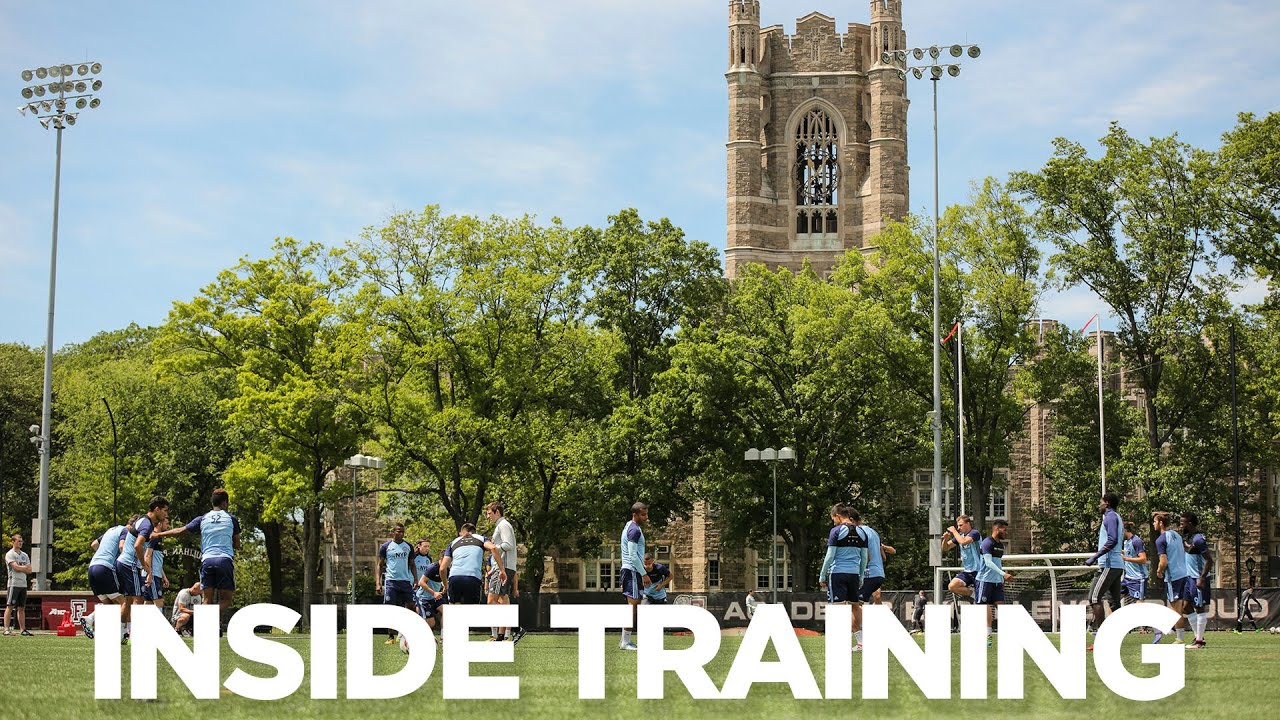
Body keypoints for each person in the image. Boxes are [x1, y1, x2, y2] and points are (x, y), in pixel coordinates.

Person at [158, 488, 241, 625]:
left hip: (207, 560)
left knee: (207, 600)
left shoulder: (203, 518)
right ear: (225, 503)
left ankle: (205, 625)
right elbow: (237, 544)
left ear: (212, 503)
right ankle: (211, 617)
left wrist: (158, 534)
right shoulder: (231, 519)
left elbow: (180, 530)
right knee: (226, 599)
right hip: (224, 559)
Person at [818, 503, 864, 645]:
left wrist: (822, 575)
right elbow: (864, 557)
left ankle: (839, 642)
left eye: (833, 519)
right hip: (854, 574)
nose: (833, 522)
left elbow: (830, 555)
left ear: (838, 516)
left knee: (837, 608)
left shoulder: (836, 531)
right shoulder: (861, 532)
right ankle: (861, 641)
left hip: (838, 573)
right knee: (854, 606)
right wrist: (861, 576)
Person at [1084, 492, 1125, 646]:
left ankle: (1102, 639)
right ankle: (1116, 637)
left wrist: (1095, 556)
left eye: (1100, 502)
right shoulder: (1115, 517)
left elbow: (1112, 540)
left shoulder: (1110, 517)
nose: (1099, 505)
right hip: (1116, 565)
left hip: (1109, 564)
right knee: (1114, 603)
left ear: (1106, 503)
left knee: (1094, 598)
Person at [851, 510, 894, 651]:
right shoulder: (873, 532)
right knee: (857, 603)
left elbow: (867, 556)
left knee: (854, 604)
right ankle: (865, 639)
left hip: (869, 574)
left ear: (851, 520)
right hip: (878, 573)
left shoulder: (858, 532)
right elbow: (883, 556)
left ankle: (868, 638)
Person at [81, 521, 130, 640]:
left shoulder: (110, 530)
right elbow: (122, 547)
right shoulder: (125, 531)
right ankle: (123, 633)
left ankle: (90, 618)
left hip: (92, 568)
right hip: (105, 568)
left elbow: (94, 545)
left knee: (110, 606)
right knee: (125, 603)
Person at [484, 502, 523, 643]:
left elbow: (508, 545)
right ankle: (500, 636)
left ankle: (516, 628)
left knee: (491, 601)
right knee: (501, 600)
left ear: (497, 512)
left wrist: (492, 548)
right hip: (502, 567)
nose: (487, 516)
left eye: (489, 513)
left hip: (504, 568)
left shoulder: (503, 525)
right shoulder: (500, 526)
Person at [440, 523, 504, 609]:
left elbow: (442, 569)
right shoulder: (481, 538)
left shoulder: (453, 542)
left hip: (454, 577)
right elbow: (493, 548)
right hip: (472, 578)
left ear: (462, 533)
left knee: (454, 609)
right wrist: (502, 570)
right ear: (474, 532)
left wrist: (445, 585)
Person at [1152, 512, 1191, 644]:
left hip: (1173, 577)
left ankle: (1179, 637)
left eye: (1155, 521)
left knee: (1176, 609)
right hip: (1184, 573)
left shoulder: (1161, 540)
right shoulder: (1176, 535)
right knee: (1179, 606)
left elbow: (1163, 562)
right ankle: (1170, 628)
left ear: (1160, 523)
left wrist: (1159, 571)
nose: (1153, 524)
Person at [377, 522, 416, 645]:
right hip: (391, 582)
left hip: (405, 581)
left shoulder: (408, 546)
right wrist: (378, 583)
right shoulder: (385, 547)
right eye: (398, 531)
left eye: (403, 531)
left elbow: (412, 564)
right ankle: (391, 636)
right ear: (393, 532)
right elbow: (379, 565)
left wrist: (416, 579)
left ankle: (406, 633)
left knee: (411, 607)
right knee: (390, 610)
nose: (401, 533)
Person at [976, 519, 1013, 644]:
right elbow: (988, 563)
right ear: (997, 529)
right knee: (985, 607)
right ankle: (988, 635)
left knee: (1001, 606)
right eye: (1004, 530)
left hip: (997, 582)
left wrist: (1001, 578)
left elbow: (998, 563)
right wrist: (1004, 574)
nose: (1006, 532)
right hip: (985, 580)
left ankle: (1007, 634)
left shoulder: (1000, 545)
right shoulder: (987, 543)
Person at [618, 502, 649, 651]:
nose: (646, 517)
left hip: (631, 571)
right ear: (635, 514)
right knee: (633, 606)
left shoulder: (630, 526)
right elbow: (633, 556)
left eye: (646, 514)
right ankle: (625, 642)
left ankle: (625, 640)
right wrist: (644, 574)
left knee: (634, 606)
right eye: (643, 514)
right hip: (632, 570)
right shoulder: (634, 530)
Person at [1181, 512, 1214, 649]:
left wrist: (1202, 578)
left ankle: (1199, 642)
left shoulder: (1199, 539)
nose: (1180, 525)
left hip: (1198, 578)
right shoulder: (1188, 537)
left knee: (1199, 607)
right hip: (1189, 578)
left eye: (1182, 523)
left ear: (1189, 523)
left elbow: (1209, 560)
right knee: (1186, 606)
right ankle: (1198, 637)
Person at [114, 515, 145, 643]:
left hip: (120, 563)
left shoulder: (120, 531)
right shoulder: (137, 530)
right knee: (138, 598)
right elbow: (129, 547)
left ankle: (122, 633)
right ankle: (134, 634)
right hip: (128, 564)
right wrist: (145, 567)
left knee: (127, 600)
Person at [943, 515, 982, 600]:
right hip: (967, 571)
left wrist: (954, 531)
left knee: (984, 601)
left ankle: (981, 598)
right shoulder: (960, 536)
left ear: (968, 524)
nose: (958, 528)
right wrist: (945, 539)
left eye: (961, 525)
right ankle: (973, 594)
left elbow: (963, 542)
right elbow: (945, 548)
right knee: (952, 586)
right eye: (957, 526)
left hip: (979, 571)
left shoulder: (974, 533)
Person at [414, 545, 447, 634]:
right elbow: (421, 582)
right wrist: (434, 593)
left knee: (447, 612)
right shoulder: (432, 568)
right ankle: (410, 635)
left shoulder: (446, 569)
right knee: (431, 623)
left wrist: (444, 585)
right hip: (424, 598)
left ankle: (443, 637)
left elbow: (442, 580)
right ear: (442, 558)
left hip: (435, 598)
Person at [4, 533, 32, 636]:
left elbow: (30, 570)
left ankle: (22, 629)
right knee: (10, 606)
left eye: (21, 541)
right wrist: (24, 568)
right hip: (13, 583)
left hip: (23, 584)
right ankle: (6, 629)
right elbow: (15, 567)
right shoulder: (10, 554)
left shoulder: (24, 555)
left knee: (21, 607)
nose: (20, 543)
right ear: (13, 542)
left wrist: (22, 568)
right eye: (18, 541)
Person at [141, 518, 171, 610]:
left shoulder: (158, 538)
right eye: (166, 523)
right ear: (160, 524)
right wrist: (149, 574)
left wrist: (164, 576)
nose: (168, 526)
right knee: (159, 602)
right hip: (152, 575)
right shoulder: (154, 537)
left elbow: (156, 560)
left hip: (155, 574)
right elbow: (147, 555)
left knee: (148, 603)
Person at [1120, 522, 1148, 607]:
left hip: (1138, 578)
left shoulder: (1136, 541)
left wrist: (1126, 559)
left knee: (1139, 604)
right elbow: (1130, 553)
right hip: (1128, 578)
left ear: (1124, 530)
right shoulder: (1126, 542)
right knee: (1113, 598)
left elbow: (1143, 559)